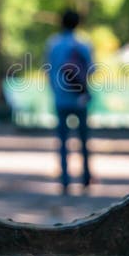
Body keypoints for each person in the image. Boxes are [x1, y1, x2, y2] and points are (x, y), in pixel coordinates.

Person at [46, 10, 94, 194]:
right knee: (83, 140)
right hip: (80, 98)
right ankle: (85, 178)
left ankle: (65, 180)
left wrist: (56, 90)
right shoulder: (83, 44)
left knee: (63, 141)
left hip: (60, 98)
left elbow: (49, 71)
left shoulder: (53, 44)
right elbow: (91, 69)